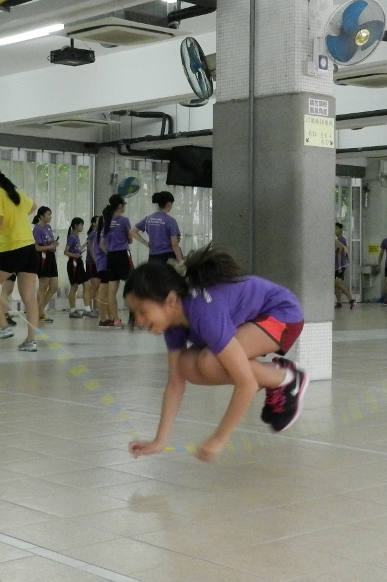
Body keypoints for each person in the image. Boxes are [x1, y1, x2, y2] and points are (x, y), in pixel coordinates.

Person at [123, 245, 308, 462]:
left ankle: (286, 378)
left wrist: (219, 439)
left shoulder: (203, 311)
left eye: (142, 311)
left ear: (171, 300)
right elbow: (175, 383)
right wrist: (159, 441)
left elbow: (246, 383)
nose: (139, 321)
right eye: (135, 314)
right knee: (186, 365)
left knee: (211, 363)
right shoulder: (173, 323)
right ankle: (277, 377)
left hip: (282, 314)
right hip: (254, 319)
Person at [0, 165, 41, 351]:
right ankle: (31, 340)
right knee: (29, 298)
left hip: (13, 249)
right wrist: (17, 216)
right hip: (29, 248)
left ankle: (3, 326)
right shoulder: (15, 193)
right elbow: (34, 207)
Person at [100, 195, 133, 328]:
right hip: (123, 255)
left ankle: (116, 319)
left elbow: (102, 244)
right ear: (120, 206)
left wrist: (110, 252)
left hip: (111, 256)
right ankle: (136, 319)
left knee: (112, 290)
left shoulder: (106, 221)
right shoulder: (124, 220)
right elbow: (130, 239)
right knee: (132, 286)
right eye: (124, 204)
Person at [131, 191, 184, 264]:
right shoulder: (170, 221)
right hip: (167, 258)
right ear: (169, 204)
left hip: (153, 257)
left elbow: (132, 231)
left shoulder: (148, 218)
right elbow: (174, 244)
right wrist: (181, 261)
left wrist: (146, 243)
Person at [33, 206, 60, 324]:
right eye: (48, 214)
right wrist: (49, 247)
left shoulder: (48, 227)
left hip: (51, 257)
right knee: (43, 286)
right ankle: (40, 313)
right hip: (42, 258)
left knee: (54, 286)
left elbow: (50, 244)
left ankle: (38, 310)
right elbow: (37, 247)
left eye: (50, 214)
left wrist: (54, 244)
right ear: (41, 216)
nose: (50, 217)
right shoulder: (37, 229)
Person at [65, 217, 88, 317]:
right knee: (74, 286)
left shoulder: (76, 237)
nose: (82, 227)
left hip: (79, 262)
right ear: (75, 225)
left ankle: (87, 308)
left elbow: (77, 250)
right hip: (73, 263)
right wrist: (75, 256)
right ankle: (72, 310)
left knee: (86, 284)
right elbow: (66, 251)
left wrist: (84, 245)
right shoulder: (71, 237)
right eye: (81, 225)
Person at [82, 216, 102, 319]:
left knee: (98, 286)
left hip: (99, 262)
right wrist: (96, 262)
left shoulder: (101, 234)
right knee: (93, 286)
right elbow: (91, 249)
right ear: (93, 223)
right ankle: (88, 308)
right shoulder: (92, 234)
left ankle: (95, 308)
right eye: (98, 221)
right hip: (92, 263)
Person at [334, 222, 356, 309]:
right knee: (336, 285)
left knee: (338, 283)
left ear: (341, 230)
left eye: (336, 228)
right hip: (337, 265)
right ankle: (339, 302)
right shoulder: (337, 239)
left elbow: (340, 253)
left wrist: (339, 266)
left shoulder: (341, 240)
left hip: (340, 265)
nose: (335, 230)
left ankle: (351, 300)